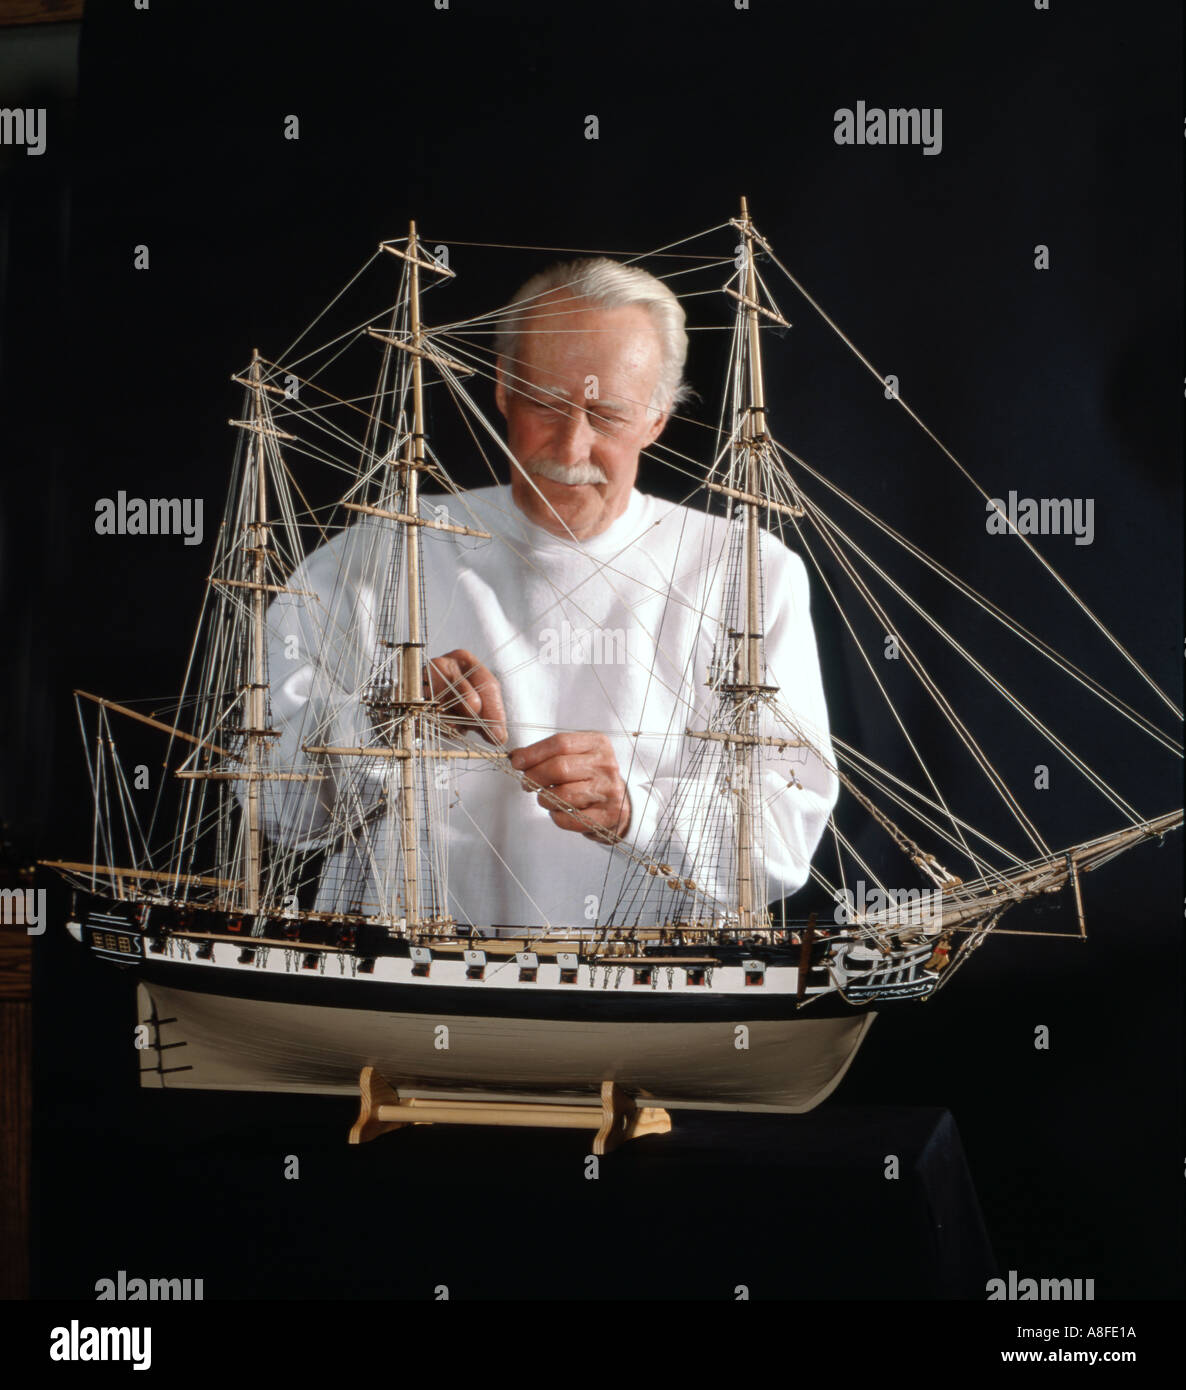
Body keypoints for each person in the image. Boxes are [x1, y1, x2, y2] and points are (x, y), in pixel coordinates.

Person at [260, 258, 838, 931]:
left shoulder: (749, 572)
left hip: (645, 1004)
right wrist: (391, 718)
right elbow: (278, 811)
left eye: (607, 414)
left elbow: (787, 837)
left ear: (657, 418)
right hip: (402, 993)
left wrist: (634, 810)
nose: (571, 445)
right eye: (545, 402)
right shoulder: (377, 554)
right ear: (502, 389)